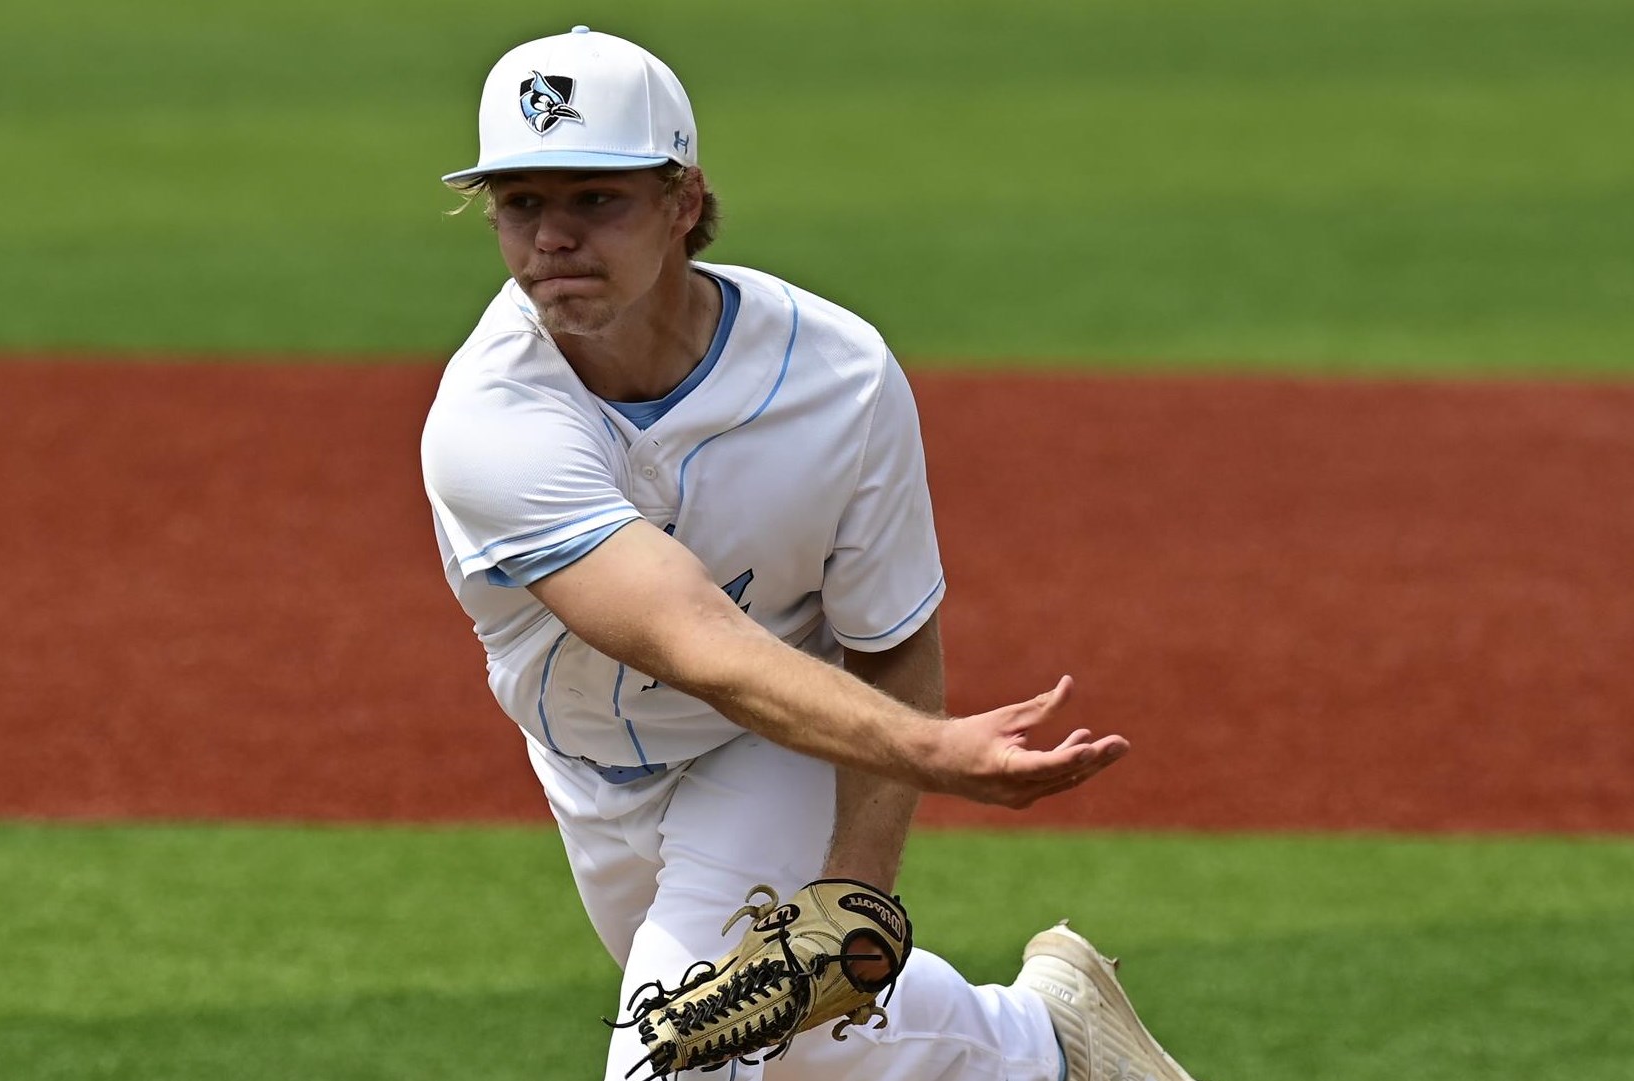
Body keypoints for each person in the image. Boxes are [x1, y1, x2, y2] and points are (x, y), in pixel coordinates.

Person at [422, 25, 1200, 1081]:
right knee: (794, 1043)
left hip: (777, 733)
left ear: (681, 201)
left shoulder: (838, 376)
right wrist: (932, 772)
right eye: (522, 203)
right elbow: (682, 632)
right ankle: (1045, 1047)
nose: (551, 237)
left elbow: (886, 635)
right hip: (590, 770)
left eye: (594, 198)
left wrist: (856, 890)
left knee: (675, 1056)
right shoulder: (491, 418)